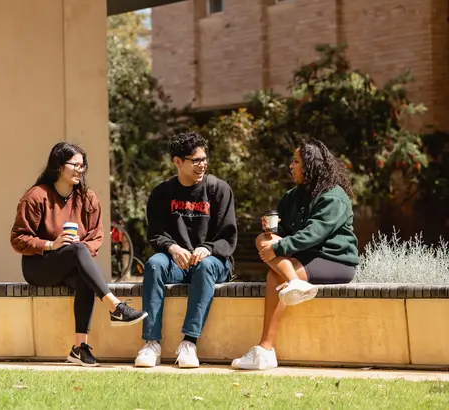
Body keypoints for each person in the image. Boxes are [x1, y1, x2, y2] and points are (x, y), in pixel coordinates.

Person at [11, 142, 147, 367]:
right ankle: (116, 307)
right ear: (58, 165)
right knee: (77, 250)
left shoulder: (88, 198)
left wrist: (79, 251)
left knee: (85, 276)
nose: (79, 170)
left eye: (82, 166)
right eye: (74, 165)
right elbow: (18, 238)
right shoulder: (36, 196)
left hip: (71, 263)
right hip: (39, 266)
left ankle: (79, 348)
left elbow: (96, 235)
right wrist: (51, 245)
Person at [231, 138, 359, 370]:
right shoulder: (292, 196)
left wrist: (277, 248)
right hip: (302, 257)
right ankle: (294, 285)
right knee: (262, 239)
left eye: (296, 161)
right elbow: (284, 233)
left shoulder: (334, 196)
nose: (291, 165)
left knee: (274, 276)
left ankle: (265, 351)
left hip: (334, 260)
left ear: (312, 165)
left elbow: (315, 233)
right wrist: (271, 233)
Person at [134, 132, 238, 368]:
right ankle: (151, 343)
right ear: (178, 162)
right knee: (154, 264)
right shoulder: (162, 193)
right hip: (177, 263)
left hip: (213, 262)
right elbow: (156, 234)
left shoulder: (219, 190)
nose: (202, 165)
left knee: (205, 265)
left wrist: (207, 248)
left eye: (204, 159)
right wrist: (172, 247)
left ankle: (189, 342)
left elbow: (227, 237)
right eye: (196, 160)